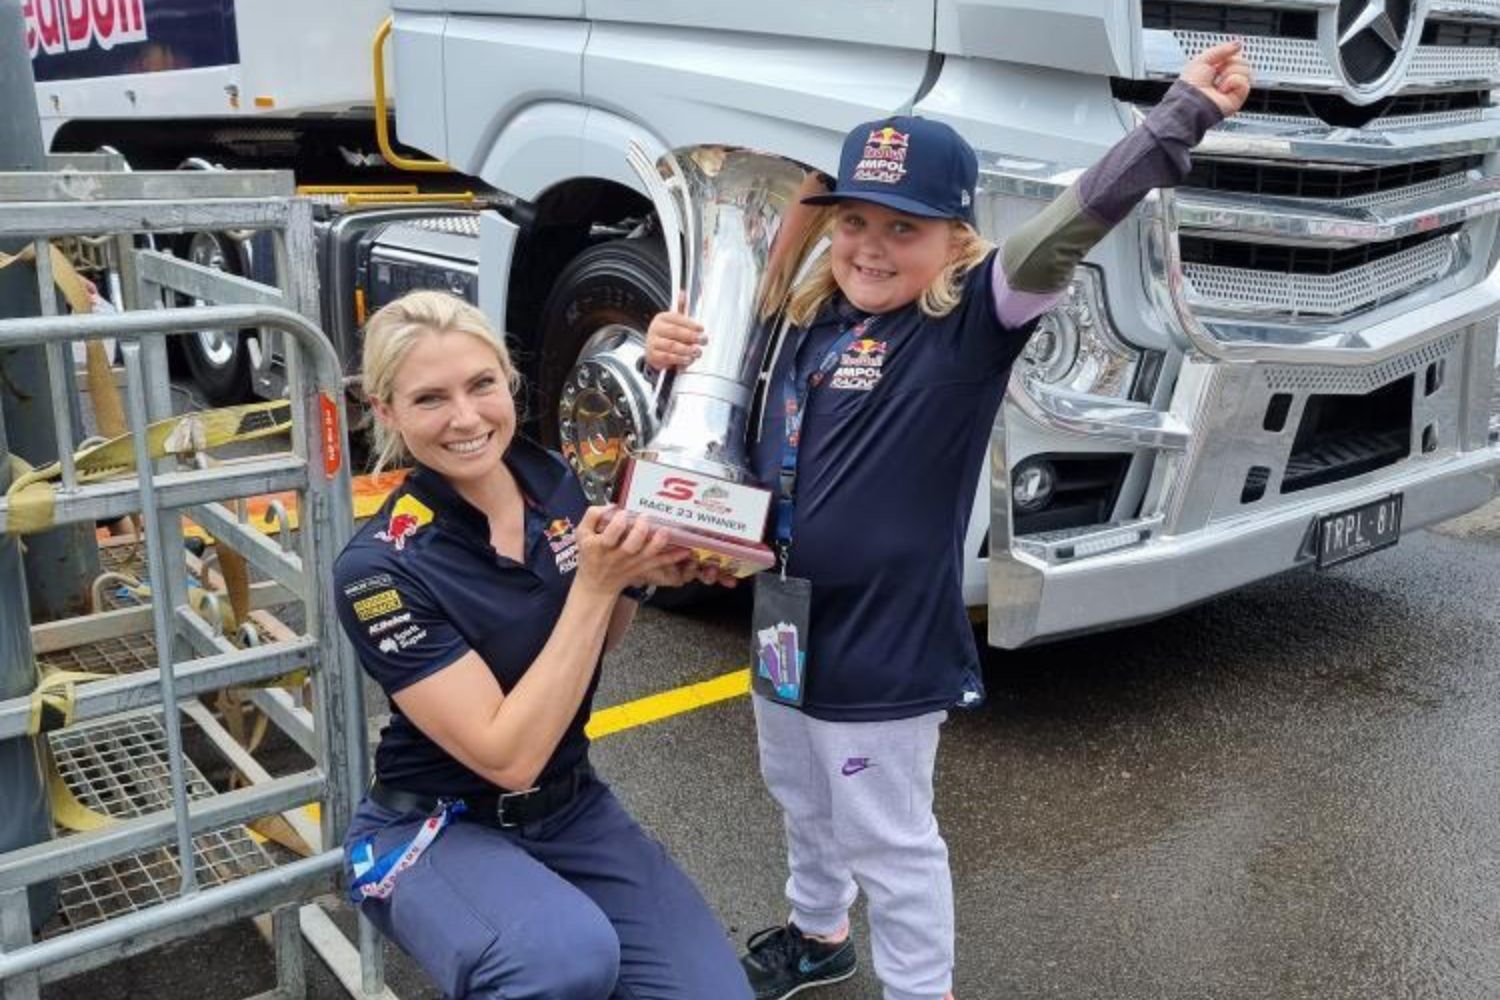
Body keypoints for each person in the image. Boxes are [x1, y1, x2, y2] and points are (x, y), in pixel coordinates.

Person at [645, 42, 1253, 1000]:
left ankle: (920, 990)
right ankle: (817, 934)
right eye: (853, 220)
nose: (871, 246)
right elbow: (742, 450)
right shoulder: (804, 323)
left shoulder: (972, 319)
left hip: (884, 641)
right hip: (784, 618)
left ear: (958, 242)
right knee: (801, 797)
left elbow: (1075, 218)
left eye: (905, 226)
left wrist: (1180, 115)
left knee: (889, 837)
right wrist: (672, 357)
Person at [334, 290, 751, 1000]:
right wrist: (595, 586)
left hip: (570, 806)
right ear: (387, 413)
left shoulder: (550, 480)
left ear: (510, 382)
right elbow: (508, 757)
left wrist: (635, 578)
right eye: (430, 398)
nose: (466, 417)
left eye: (481, 385)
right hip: (434, 827)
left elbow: (600, 642)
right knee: (560, 959)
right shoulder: (379, 567)